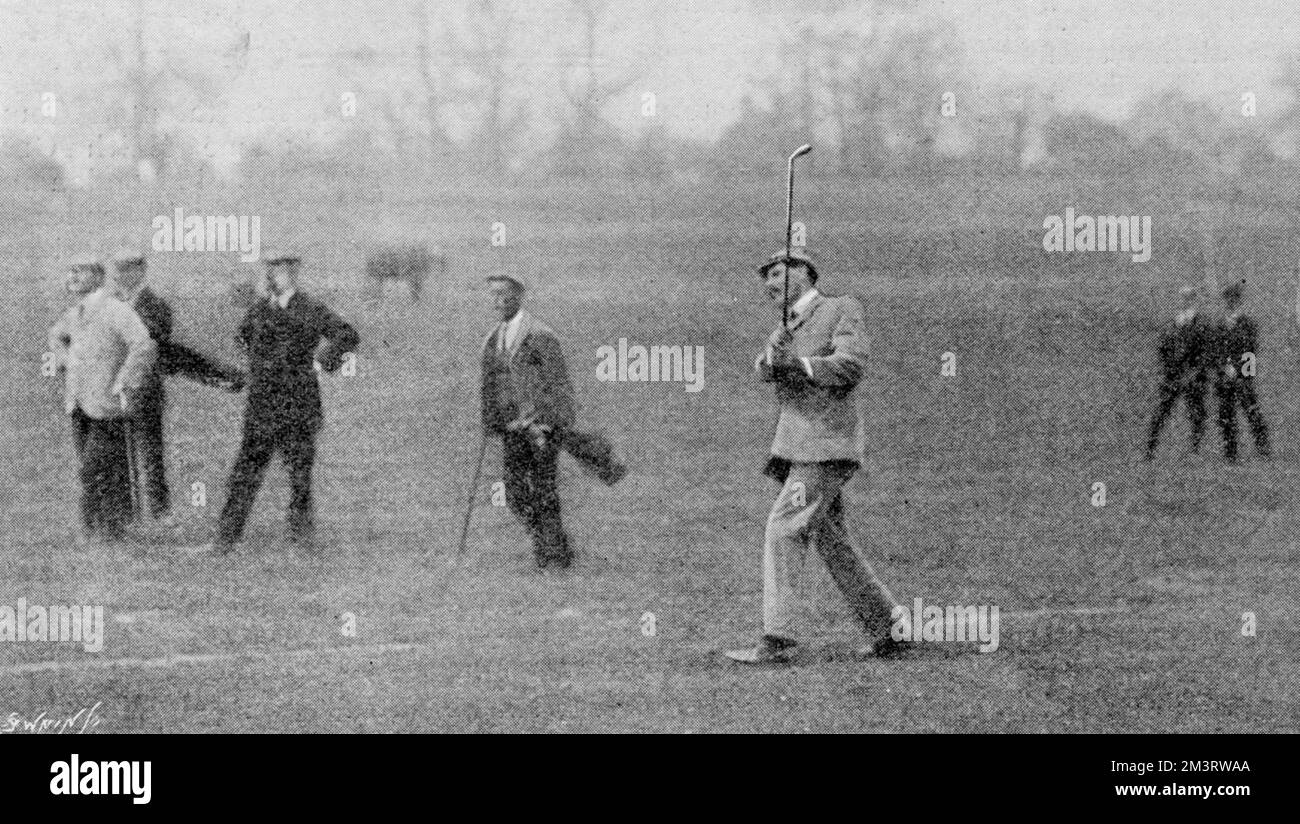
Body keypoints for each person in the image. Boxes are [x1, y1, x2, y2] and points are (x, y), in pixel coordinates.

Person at [726, 250, 902, 665]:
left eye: (775, 274)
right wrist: (775, 354)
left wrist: (801, 365)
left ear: (803, 273)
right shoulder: (785, 325)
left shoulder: (841, 309)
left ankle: (778, 637)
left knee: (784, 527)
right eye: (765, 279)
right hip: (800, 448)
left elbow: (851, 366)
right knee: (829, 538)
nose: (769, 284)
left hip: (826, 446)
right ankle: (889, 628)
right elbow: (764, 370)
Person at [210, 250, 359, 554]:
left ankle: (301, 538)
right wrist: (256, 363)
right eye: (269, 269)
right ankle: (225, 539)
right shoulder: (259, 308)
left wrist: (321, 362)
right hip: (262, 404)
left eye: (278, 270)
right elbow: (241, 337)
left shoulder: (310, 307)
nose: (271, 275)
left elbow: (347, 335)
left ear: (293, 272)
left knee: (299, 475)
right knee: (245, 473)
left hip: (298, 404)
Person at [110, 249, 245, 523]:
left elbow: (156, 347)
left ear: (140, 271)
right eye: (118, 269)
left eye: (128, 269)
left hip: (143, 388)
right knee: (116, 451)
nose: (121, 275)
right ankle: (126, 514)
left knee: (149, 451)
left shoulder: (154, 306)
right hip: (112, 388)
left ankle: (158, 512)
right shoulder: (112, 305)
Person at [48, 255, 157, 543]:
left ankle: (102, 528)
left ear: (98, 276)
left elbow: (143, 344)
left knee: (96, 468)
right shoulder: (74, 314)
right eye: (70, 270)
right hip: (78, 403)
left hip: (107, 405)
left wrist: (125, 380)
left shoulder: (115, 310)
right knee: (96, 467)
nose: (72, 276)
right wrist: (63, 360)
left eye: (79, 270)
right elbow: (55, 335)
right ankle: (106, 529)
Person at [479, 273, 579, 569]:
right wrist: (491, 420)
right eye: (493, 295)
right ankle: (549, 542)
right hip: (512, 428)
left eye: (504, 295)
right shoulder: (494, 337)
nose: (497, 301)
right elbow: (491, 384)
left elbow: (559, 384)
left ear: (519, 297)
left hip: (540, 428)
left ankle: (555, 557)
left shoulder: (540, 334)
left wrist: (549, 421)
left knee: (544, 490)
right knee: (514, 493)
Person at [1144, 285, 1211, 460]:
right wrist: (1169, 370)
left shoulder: (1202, 323)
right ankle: (1150, 450)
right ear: (1179, 300)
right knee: (1161, 411)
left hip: (1194, 376)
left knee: (1196, 414)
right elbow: (1163, 349)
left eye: (1188, 297)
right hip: (1173, 376)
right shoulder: (1173, 323)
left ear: (1193, 300)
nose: (1185, 300)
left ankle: (1195, 450)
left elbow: (1206, 351)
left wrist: (1195, 372)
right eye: (1182, 297)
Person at [1213, 281, 1271, 463]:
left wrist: (1240, 373)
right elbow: (1216, 351)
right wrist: (1224, 368)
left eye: (1233, 299)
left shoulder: (1247, 324)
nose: (1230, 302)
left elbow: (1250, 350)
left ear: (1238, 300)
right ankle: (1230, 451)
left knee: (1252, 412)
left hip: (1243, 377)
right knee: (1226, 415)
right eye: (1227, 299)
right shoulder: (1221, 325)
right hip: (1225, 377)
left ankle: (1263, 448)